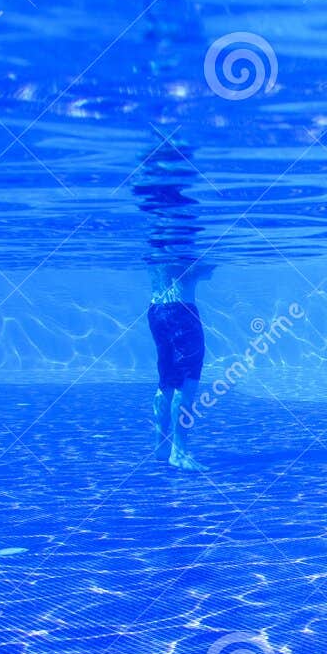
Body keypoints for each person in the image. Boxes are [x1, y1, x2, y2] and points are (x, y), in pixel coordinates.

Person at [135, 144, 212, 472]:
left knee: (166, 381)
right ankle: (179, 451)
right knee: (188, 382)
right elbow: (191, 272)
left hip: (156, 311)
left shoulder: (155, 240)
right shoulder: (184, 233)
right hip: (181, 312)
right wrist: (206, 265)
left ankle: (160, 445)